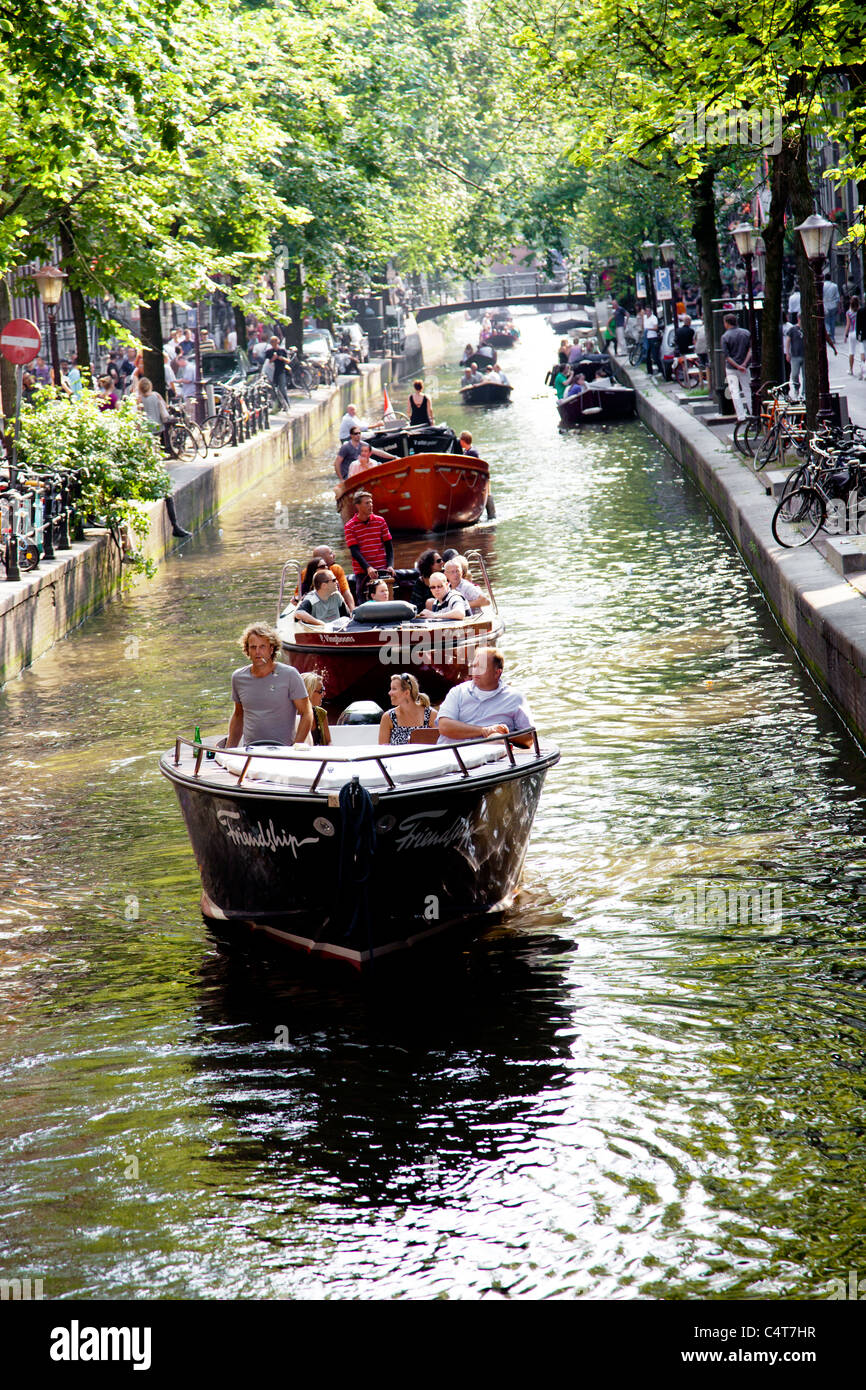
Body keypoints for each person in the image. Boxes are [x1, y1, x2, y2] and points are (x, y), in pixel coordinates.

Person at [227, 623, 313, 747]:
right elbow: (238, 715)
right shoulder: (238, 677)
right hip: (251, 751)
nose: (257, 652)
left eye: (262, 646)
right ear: (247, 650)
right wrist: (229, 750)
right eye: (253, 647)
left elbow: (307, 713)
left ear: (271, 649)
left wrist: (296, 747)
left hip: (283, 751)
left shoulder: (290, 675)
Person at [437, 646, 533, 746]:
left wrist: (503, 735)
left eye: (481, 667)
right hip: (451, 755)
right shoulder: (457, 692)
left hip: (491, 758)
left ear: (497, 673)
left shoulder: (515, 697)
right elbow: (444, 726)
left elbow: (529, 738)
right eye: (474, 666)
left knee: (496, 739)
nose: (476, 671)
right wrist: (484, 730)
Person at [344, 491, 394, 603]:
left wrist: (390, 565)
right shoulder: (350, 526)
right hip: (362, 571)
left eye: (371, 502)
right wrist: (368, 568)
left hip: (382, 569)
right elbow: (354, 551)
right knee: (362, 597)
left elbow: (389, 546)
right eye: (367, 503)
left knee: (389, 597)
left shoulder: (380, 521)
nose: (370, 505)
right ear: (358, 506)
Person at [378, 672, 437, 745]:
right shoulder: (388, 717)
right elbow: (382, 751)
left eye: (394, 689)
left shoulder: (431, 715)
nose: (389, 693)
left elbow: (440, 748)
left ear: (407, 693)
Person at [720, 312, 752, 419]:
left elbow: (727, 356)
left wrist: (737, 366)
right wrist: (744, 364)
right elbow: (750, 350)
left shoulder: (725, 336)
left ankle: (741, 415)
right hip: (745, 367)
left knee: (734, 391)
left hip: (731, 368)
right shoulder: (746, 333)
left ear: (727, 323)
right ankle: (752, 411)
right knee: (747, 389)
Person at [302, 671, 331, 746]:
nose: (324, 694)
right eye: (321, 691)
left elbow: (329, 742)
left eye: (323, 689)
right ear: (308, 692)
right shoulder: (292, 714)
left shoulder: (321, 713)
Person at [264, 335, 291, 411]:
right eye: (272, 342)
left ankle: (286, 405)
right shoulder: (269, 352)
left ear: (278, 342)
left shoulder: (282, 351)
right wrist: (273, 358)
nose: (273, 343)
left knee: (282, 388)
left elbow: (288, 360)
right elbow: (267, 362)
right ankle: (278, 405)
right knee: (273, 390)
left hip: (281, 371)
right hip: (272, 373)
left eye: (274, 341)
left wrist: (281, 358)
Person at [788, 314, 804, 400]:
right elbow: (788, 340)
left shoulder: (806, 329)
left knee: (805, 375)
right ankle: (796, 388)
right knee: (794, 374)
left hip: (804, 355)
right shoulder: (793, 329)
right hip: (795, 355)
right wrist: (788, 352)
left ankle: (804, 392)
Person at [846, 296, 860, 376]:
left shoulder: (848, 312)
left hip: (851, 333)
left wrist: (846, 334)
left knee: (851, 351)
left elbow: (848, 324)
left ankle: (851, 370)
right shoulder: (860, 311)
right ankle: (863, 370)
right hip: (859, 332)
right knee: (862, 351)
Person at [644, 309, 661, 375]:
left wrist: (648, 329)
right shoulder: (645, 318)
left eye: (648, 311)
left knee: (655, 355)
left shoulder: (653, 318)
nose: (647, 312)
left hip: (653, 337)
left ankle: (660, 369)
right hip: (647, 338)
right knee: (647, 356)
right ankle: (649, 371)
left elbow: (656, 328)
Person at [824, 278, 841, 343]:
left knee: (826, 321)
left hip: (825, 306)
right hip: (833, 305)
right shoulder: (834, 286)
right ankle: (833, 337)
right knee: (833, 321)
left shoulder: (822, 285)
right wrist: (839, 307)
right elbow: (837, 297)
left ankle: (828, 331)